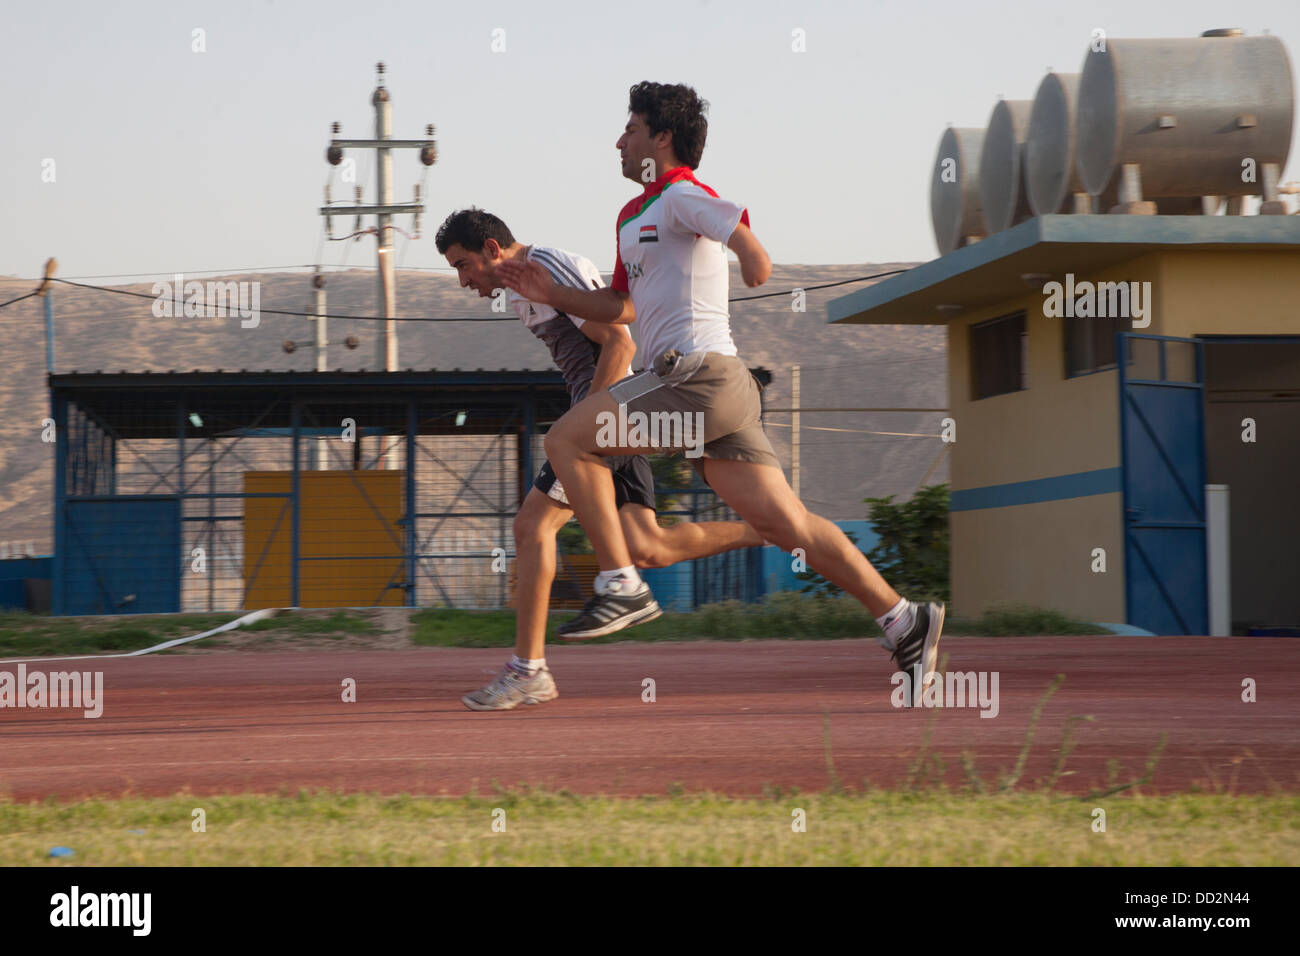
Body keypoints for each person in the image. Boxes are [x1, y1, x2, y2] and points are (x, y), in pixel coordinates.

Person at [497, 82, 944, 702]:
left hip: (696, 380)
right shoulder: (630, 217)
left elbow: (732, 224)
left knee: (569, 440)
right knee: (786, 524)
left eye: (631, 129)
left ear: (662, 138)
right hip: (715, 392)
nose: (619, 141)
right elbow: (620, 305)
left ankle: (621, 584)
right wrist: (553, 295)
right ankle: (903, 618)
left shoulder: (681, 194)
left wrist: (753, 257)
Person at [435, 207, 765, 711]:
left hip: (605, 421)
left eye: (463, 265)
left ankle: (528, 670)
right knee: (648, 547)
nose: (462, 281)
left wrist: (584, 426)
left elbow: (619, 341)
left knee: (531, 527)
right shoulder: (523, 289)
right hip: (609, 419)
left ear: (493, 250)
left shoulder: (547, 266)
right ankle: (768, 529)